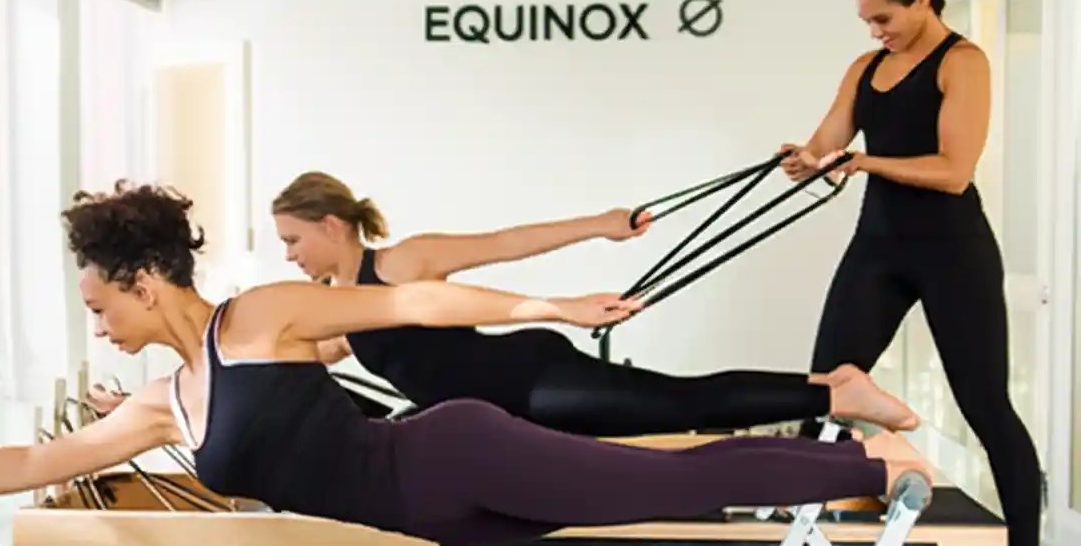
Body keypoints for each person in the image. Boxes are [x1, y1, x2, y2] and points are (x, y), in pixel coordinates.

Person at [0, 182, 932, 546]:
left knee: (673, 484)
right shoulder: (164, 403)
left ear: (143, 281)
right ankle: (844, 454)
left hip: (458, 449)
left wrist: (549, 298)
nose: (95, 325)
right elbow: (29, 456)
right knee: (645, 516)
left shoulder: (259, 315)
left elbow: (419, 296)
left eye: (98, 303)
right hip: (446, 518)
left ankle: (878, 466)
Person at [778, 0, 1042, 546]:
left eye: (884, 18)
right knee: (824, 387)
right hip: (880, 248)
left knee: (985, 404)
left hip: (953, 250)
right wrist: (802, 159)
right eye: (867, 21)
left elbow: (953, 173)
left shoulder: (963, 62)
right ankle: (792, 545)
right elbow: (824, 144)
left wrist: (863, 163)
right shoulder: (865, 68)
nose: (875, 31)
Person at [269, 170, 920, 437]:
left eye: (293, 239)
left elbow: (507, 242)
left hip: (533, 383)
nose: (290, 255)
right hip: (502, 415)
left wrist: (602, 225)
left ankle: (837, 395)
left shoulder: (398, 263)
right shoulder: (339, 312)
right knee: (676, 404)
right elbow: (296, 358)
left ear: (331, 225)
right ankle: (826, 387)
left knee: (680, 405)